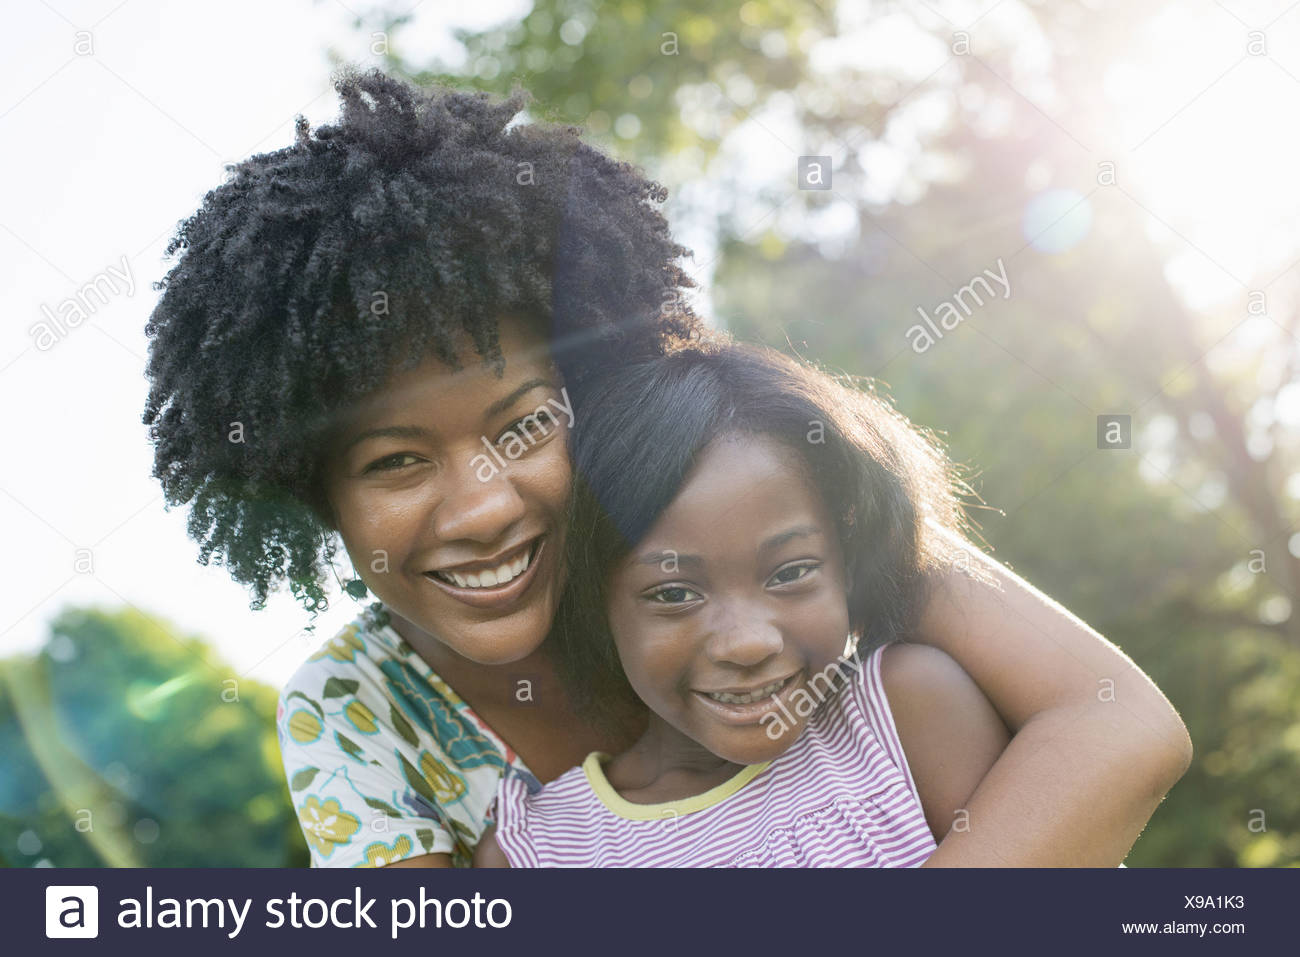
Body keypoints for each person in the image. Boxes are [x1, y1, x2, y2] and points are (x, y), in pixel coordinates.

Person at [142, 67, 1191, 869]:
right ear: (305, 489)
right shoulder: (358, 711)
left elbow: (1114, 722)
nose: (481, 506)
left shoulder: (757, 506)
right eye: (396, 461)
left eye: (523, 424)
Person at [474, 343, 1011, 866]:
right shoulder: (541, 852)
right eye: (675, 593)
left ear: (847, 563)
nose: (748, 642)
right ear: (595, 603)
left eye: (792, 572)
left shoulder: (904, 716)